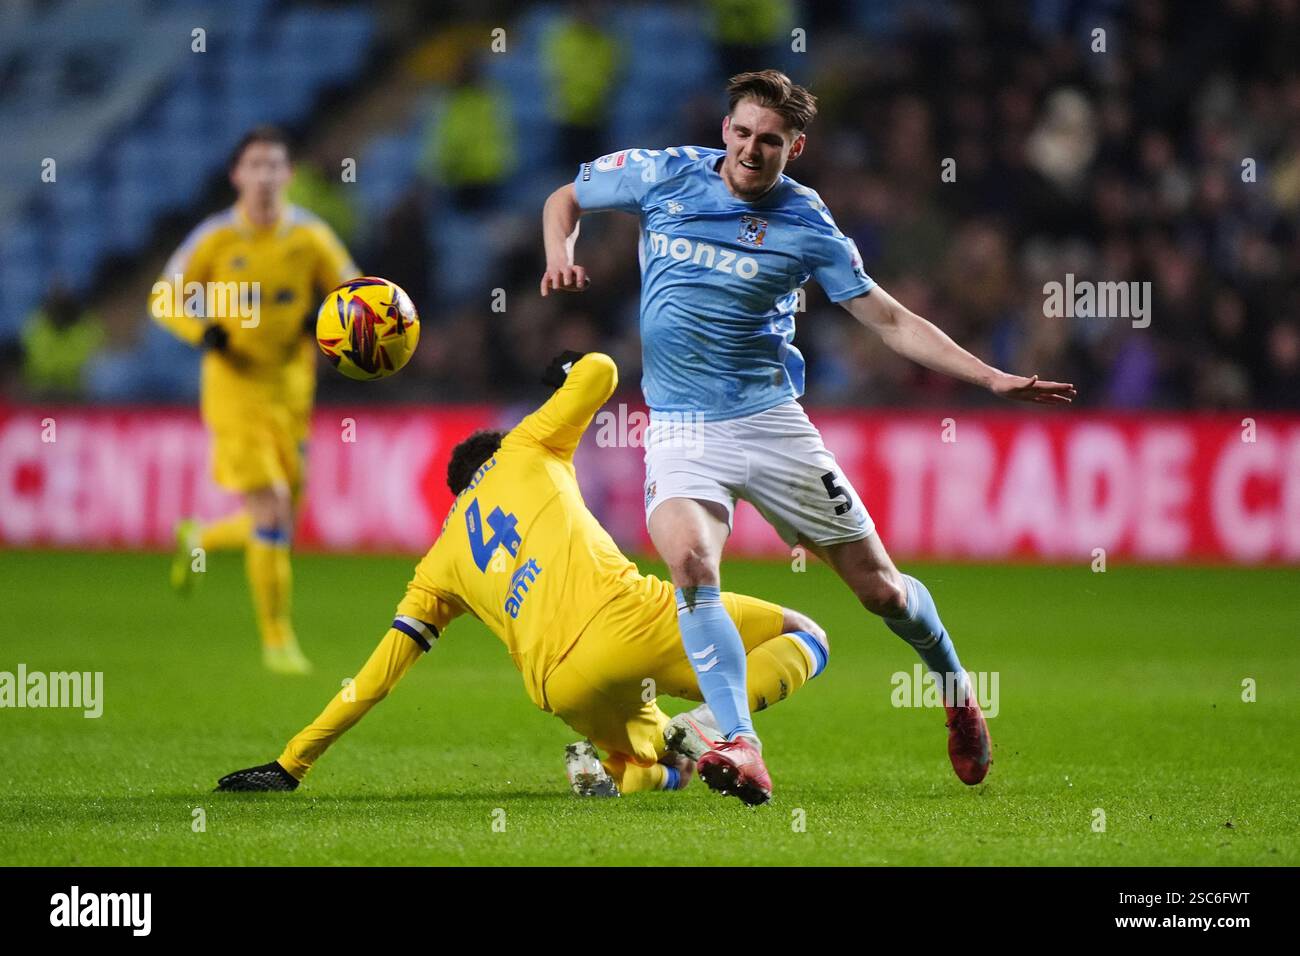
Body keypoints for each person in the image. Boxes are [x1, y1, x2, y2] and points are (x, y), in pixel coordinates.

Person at [540, 70, 1078, 798]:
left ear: (795, 146)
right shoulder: (664, 174)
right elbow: (565, 198)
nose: (751, 151)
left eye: (770, 141)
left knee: (882, 592)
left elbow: (889, 319)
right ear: (725, 130)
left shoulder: (807, 225)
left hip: (769, 426)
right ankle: (741, 742)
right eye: (741, 134)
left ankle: (956, 693)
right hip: (679, 427)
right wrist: (559, 253)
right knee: (692, 567)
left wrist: (988, 378)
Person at [215, 353, 829, 804]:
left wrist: (293, 760)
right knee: (808, 636)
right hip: (627, 619)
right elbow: (603, 372)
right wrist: (564, 368)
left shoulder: (439, 564)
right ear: (498, 448)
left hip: (561, 687)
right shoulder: (524, 447)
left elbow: (375, 678)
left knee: (659, 760)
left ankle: (635, 764)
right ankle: (708, 725)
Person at [153, 126, 358, 674]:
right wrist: (202, 333)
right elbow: (162, 295)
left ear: (288, 176)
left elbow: (356, 288)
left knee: (282, 518)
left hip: (291, 391)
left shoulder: (310, 236)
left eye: (274, 166)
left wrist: (335, 314)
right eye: (255, 166)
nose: (265, 176)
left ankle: (198, 537)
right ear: (237, 176)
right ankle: (277, 641)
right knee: (270, 505)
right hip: (234, 389)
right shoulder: (216, 238)